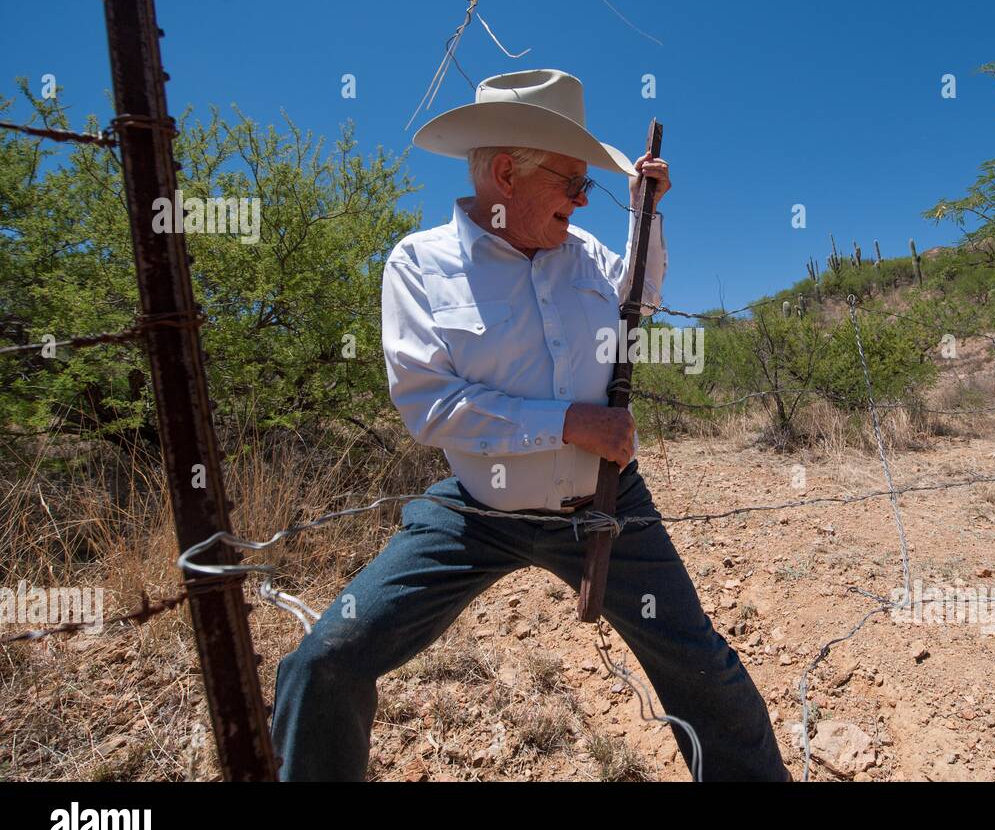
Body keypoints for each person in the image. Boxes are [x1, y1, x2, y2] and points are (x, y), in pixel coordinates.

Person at [270, 68, 791, 781]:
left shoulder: (586, 258)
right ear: (507, 174)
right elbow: (430, 406)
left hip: (606, 504)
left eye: (588, 188)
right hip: (477, 510)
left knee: (702, 668)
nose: (582, 201)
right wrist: (570, 422)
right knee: (325, 660)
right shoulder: (419, 265)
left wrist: (645, 212)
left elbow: (645, 293)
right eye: (573, 183)